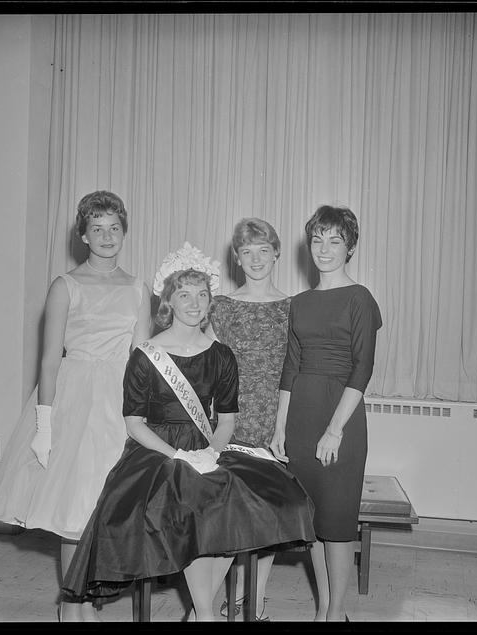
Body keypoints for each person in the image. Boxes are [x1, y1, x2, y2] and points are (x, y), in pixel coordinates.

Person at [62, 243, 316, 621]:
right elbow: (135, 424)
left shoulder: (221, 355)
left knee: (246, 499)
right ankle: (206, 614)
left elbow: (226, 419)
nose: (194, 303)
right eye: (184, 294)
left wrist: (210, 451)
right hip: (156, 451)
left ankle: (203, 613)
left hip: (208, 444)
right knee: (194, 502)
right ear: (169, 301)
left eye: (202, 294)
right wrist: (179, 455)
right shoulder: (146, 355)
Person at [0, 190, 152, 622]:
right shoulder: (66, 285)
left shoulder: (137, 288)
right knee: (74, 508)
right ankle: (72, 607)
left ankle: (90, 592)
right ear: (82, 235)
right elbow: (48, 360)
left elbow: (143, 359)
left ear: (124, 232)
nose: (106, 235)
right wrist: (44, 422)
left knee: (111, 507)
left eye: (114, 227)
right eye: (97, 228)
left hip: (121, 404)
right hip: (76, 400)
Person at [270, 205, 382, 622]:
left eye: (335, 240)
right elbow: (289, 366)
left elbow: (363, 366)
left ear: (350, 247)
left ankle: (336, 614)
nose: (324, 248)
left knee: (336, 519)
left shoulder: (359, 298)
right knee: (311, 521)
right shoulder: (298, 303)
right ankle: (322, 610)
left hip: (341, 416)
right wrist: (280, 427)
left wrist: (335, 429)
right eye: (317, 239)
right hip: (300, 414)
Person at [207, 218, 290, 620]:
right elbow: (207, 367)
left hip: (274, 424)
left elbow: (295, 371)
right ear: (237, 259)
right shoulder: (221, 306)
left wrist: (284, 426)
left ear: (276, 253)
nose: (255, 259)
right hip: (228, 421)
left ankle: (251, 603)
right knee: (230, 516)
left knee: (269, 514)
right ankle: (219, 600)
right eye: (246, 252)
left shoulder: (291, 307)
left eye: (263, 250)